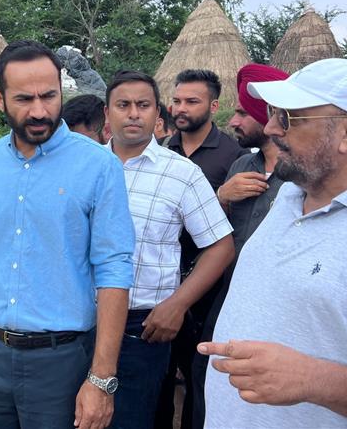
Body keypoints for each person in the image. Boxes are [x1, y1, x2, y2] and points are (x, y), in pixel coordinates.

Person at [0, 40, 136, 429]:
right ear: (0, 100)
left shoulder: (99, 166)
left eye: (49, 96)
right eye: (24, 99)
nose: (39, 111)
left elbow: (114, 272)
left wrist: (101, 380)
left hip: (61, 361)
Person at [200, 58, 347, 427]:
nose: (271, 127)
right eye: (274, 113)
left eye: (289, 118)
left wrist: (315, 380)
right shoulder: (290, 195)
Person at [104, 70, 234, 429]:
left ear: (156, 115)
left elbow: (221, 245)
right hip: (79, 321)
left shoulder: (182, 174)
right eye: (123, 105)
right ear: (107, 114)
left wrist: (177, 305)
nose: (133, 113)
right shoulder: (85, 167)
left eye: (143, 105)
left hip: (141, 328)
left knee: (129, 420)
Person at [189, 64, 289, 428]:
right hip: (227, 292)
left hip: (278, 300)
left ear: (270, 116)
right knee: (208, 373)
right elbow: (211, 232)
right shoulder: (242, 164)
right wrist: (220, 197)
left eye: (245, 113)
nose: (234, 121)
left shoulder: (299, 176)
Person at [157, 69, 247, 429]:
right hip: (163, 280)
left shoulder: (234, 157)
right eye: (176, 101)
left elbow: (237, 225)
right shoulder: (163, 152)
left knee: (202, 377)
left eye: (191, 102)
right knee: (160, 378)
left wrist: (220, 198)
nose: (181, 108)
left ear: (213, 105)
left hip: (210, 287)